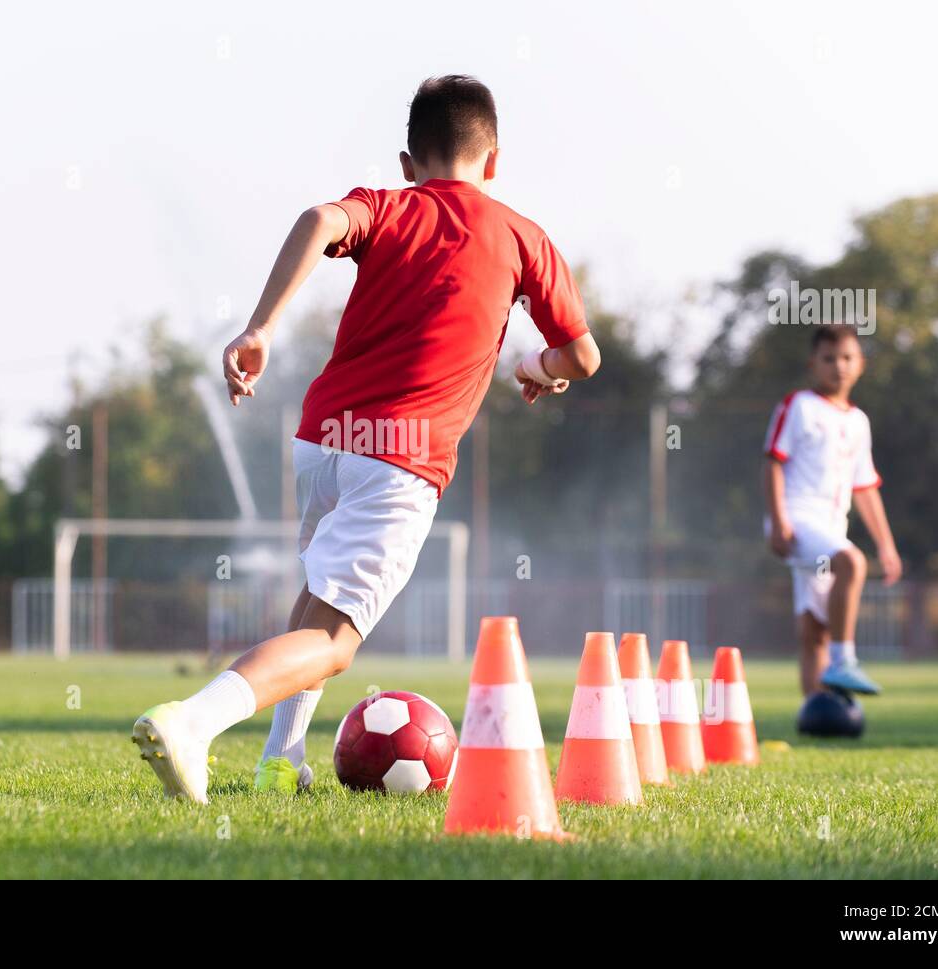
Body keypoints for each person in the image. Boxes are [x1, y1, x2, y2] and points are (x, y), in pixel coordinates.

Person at [133, 75, 601, 801]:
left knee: (316, 603)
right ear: (496, 159)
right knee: (334, 641)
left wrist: (260, 326)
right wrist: (538, 367)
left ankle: (280, 761)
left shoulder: (387, 206)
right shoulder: (522, 236)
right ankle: (193, 721)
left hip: (323, 439)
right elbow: (584, 355)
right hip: (400, 459)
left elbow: (319, 219)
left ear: (410, 163)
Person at [763, 324, 901, 697]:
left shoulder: (858, 422)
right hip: (797, 519)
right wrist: (778, 522)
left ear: (860, 365)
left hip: (830, 528)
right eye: (829, 358)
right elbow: (774, 462)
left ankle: (814, 712)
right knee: (852, 563)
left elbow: (865, 488)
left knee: (813, 627)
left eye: (846, 358)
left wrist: (886, 546)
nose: (838, 366)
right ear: (813, 364)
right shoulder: (799, 406)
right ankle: (844, 661)